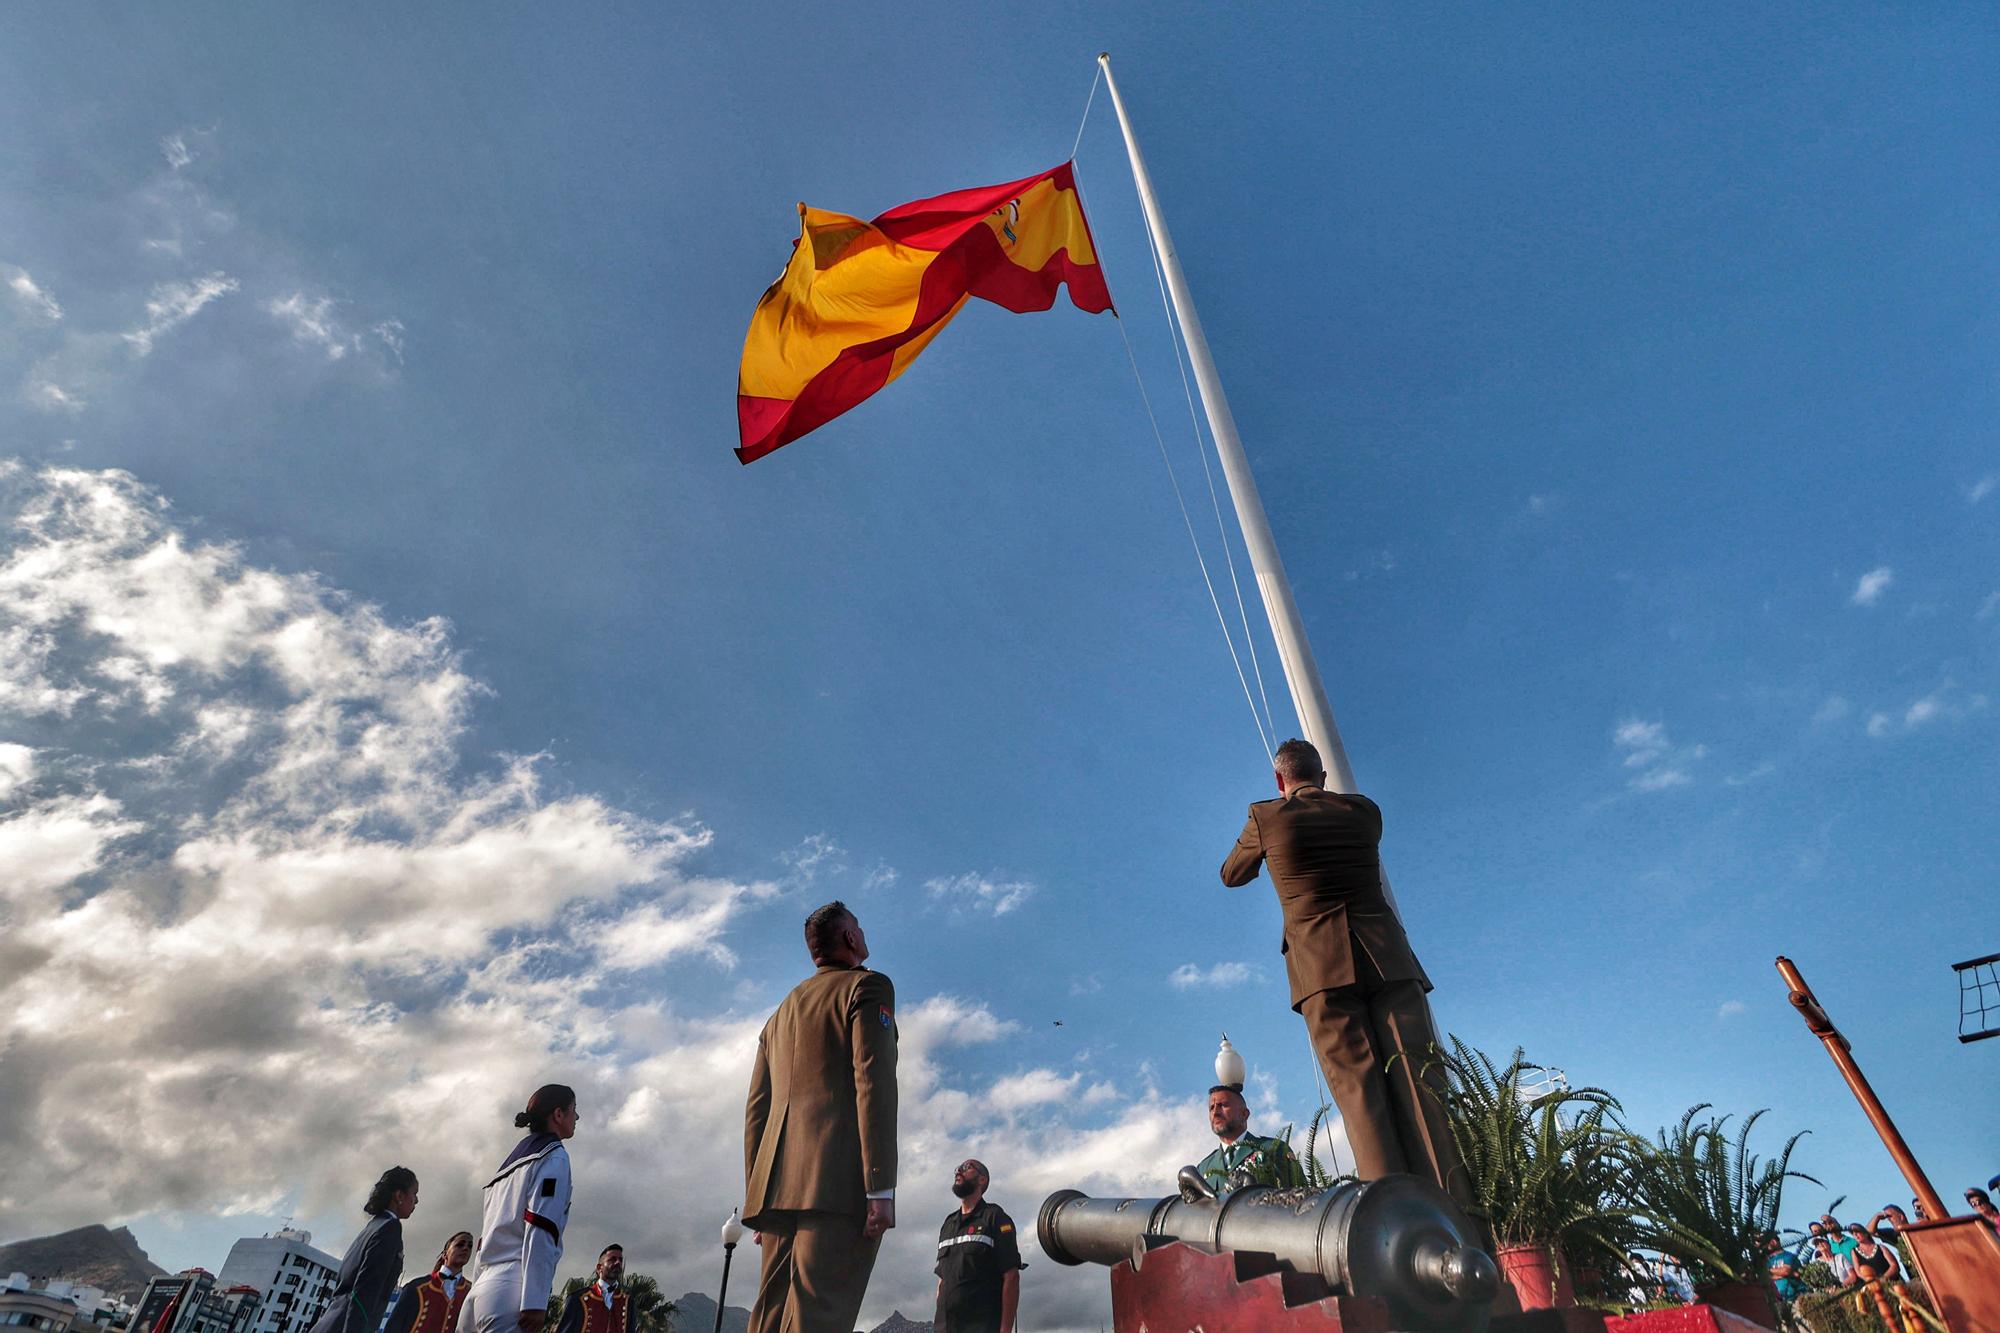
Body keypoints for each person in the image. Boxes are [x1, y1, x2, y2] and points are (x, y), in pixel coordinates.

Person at [1219, 739, 1465, 1204]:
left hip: (1321, 972)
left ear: (1279, 780)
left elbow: (1232, 873)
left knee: (1361, 1098)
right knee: (1423, 1092)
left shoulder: (1266, 817)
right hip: (1388, 960)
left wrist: (1267, 824)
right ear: (1324, 776)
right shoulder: (1364, 812)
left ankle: (1401, 1227)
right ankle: (1462, 1227)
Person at [743, 901, 898, 1333]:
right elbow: (873, 1083)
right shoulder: (866, 989)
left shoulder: (779, 1014)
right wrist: (879, 1185)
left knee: (769, 1319)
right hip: (836, 1183)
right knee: (822, 1316)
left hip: (776, 1190)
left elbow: (757, 1109)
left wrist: (758, 1198)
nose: (863, 933)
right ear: (850, 938)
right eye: (859, 927)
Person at [458, 1085, 579, 1333]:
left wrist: (475, 1291)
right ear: (558, 1115)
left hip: (482, 1287)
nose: (576, 1117)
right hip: (513, 1287)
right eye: (573, 1110)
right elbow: (541, 1226)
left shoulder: (506, 1167)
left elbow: (485, 1238)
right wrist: (535, 1299)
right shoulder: (554, 1157)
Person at [308, 1168, 418, 1333]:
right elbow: (366, 1289)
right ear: (399, 1196)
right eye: (414, 1193)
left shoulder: (374, 1225)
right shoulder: (391, 1228)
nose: (416, 1200)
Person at [932, 1159, 1024, 1333]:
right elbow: (942, 1279)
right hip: (945, 1327)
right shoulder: (948, 1223)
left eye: (967, 1167)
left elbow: (1011, 1276)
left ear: (982, 1180)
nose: (959, 1170)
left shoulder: (995, 1217)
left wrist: (1005, 1330)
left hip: (981, 1326)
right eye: (958, 1167)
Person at [1193, 1084, 1307, 1199]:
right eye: (1211, 1108)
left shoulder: (1273, 1149)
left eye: (1223, 1105)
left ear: (1244, 1114)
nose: (1215, 1112)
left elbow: (1302, 1196)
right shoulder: (1203, 1169)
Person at [385, 1232, 473, 1333]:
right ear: (445, 1254)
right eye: (460, 1244)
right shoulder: (417, 1287)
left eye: (469, 1246)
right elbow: (394, 1327)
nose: (466, 1248)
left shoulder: (471, 1292)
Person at [552, 1246, 628, 1333]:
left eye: (620, 1260)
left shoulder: (628, 1302)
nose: (618, 1262)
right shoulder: (577, 1299)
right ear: (599, 1268)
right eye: (612, 1259)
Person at [1764, 1233, 1808, 1305]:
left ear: (1774, 1242)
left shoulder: (1788, 1255)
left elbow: (1786, 1271)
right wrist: (1781, 1274)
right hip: (1781, 1299)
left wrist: (1769, 1271)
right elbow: (1767, 1277)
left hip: (1798, 1297)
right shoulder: (1769, 1261)